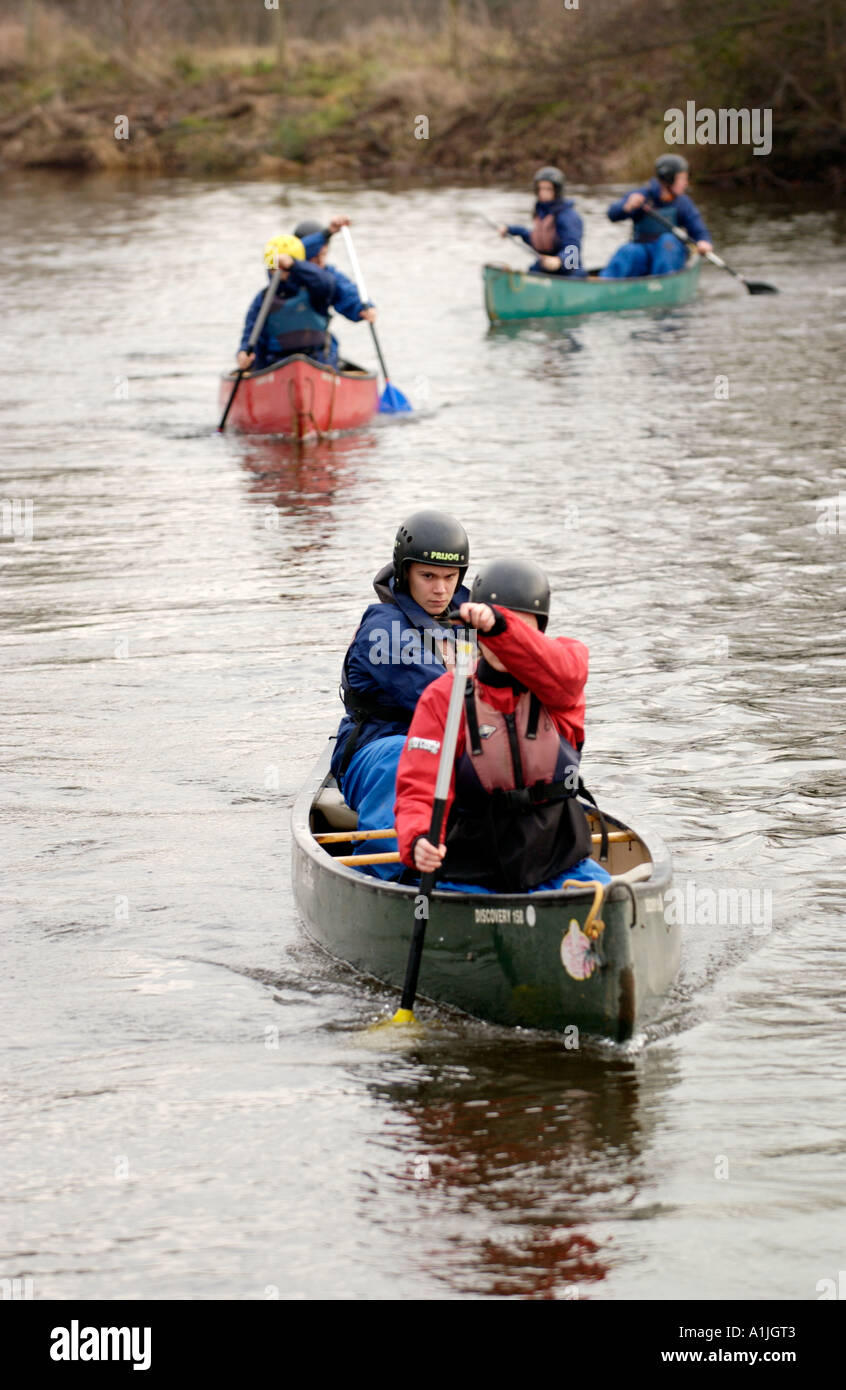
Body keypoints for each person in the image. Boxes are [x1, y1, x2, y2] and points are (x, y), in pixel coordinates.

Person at [394, 558, 611, 893]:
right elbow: (419, 787)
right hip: (473, 868)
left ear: (538, 632)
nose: (502, 645)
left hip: (559, 860)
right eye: (491, 632)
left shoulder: (564, 677)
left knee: (609, 896)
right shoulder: (445, 696)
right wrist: (418, 839)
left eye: (520, 629)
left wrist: (501, 627)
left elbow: (564, 671)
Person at [330, 510, 471, 879]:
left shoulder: (468, 619)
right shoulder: (385, 632)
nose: (441, 590)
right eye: (428, 576)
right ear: (405, 573)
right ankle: (387, 872)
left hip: (446, 746)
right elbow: (444, 700)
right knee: (407, 753)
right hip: (380, 746)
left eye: (450, 577)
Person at [599, 154, 713, 279]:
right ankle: (605, 281)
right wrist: (626, 207)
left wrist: (704, 241)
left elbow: (697, 228)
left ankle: (664, 281)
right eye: (682, 178)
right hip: (643, 251)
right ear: (669, 179)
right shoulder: (642, 196)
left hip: (669, 253)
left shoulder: (682, 203)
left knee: (667, 242)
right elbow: (612, 215)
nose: (686, 183)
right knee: (628, 250)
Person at [236, 235, 337, 373]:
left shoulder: (315, 290)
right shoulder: (263, 298)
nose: (278, 272)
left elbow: (326, 282)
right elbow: (252, 330)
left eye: (283, 268)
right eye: (273, 267)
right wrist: (244, 351)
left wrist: (294, 265)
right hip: (275, 362)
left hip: (316, 359)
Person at [293, 216, 377, 366]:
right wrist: (327, 233)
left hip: (316, 350)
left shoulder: (327, 276)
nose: (320, 262)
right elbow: (274, 257)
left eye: (323, 255)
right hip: (276, 353)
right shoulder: (279, 271)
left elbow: (346, 290)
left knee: (330, 347)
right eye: (314, 257)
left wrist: (363, 307)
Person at [498, 165, 585, 277]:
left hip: (569, 270)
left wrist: (559, 260)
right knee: (532, 270)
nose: (543, 193)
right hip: (546, 266)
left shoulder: (568, 216)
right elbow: (537, 239)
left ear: (557, 191)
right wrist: (510, 230)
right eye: (540, 189)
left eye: (548, 189)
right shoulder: (542, 212)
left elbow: (572, 247)